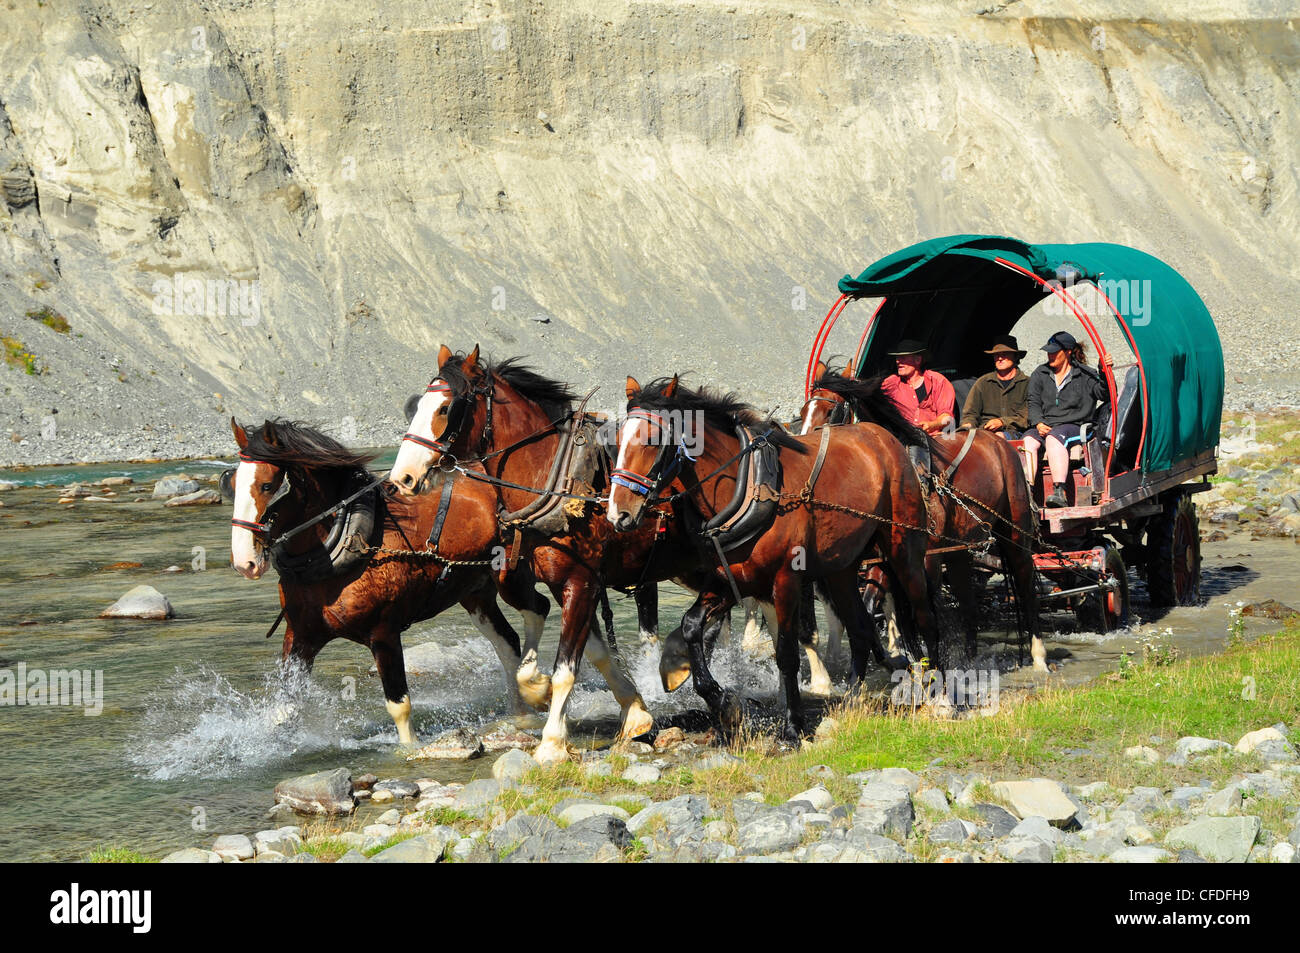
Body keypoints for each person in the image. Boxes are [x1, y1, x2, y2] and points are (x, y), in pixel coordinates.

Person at [1022, 330, 1113, 507]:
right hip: (1046, 425)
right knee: (1027, 441)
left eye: (1054, 351)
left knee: (1054, 438)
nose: (1050, 355)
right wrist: (1038, 422)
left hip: (1075, 426)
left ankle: (1059, 491)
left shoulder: (1085, 374)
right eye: (1049, 351)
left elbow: (1106, 394)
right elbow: (1033, 402)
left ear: (1068, 351)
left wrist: (1104, 372)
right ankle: (1028, 493)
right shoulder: (1040, 373)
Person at [880, 339, 955, 435]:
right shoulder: (891, 383)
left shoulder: (938, 381)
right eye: (897, 357)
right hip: (901, 441)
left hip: (932, 440)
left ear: (918, 360)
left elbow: (948, 417)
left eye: (903, 357)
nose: (898, 361)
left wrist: (932, 425)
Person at [960, 335, 1030, 438]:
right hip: (984, 433)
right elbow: (970, 413)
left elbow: (1028, 415)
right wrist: (967, 426)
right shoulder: (982, 382)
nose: (1000, 358)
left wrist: (1002, 422)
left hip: (1017, 433)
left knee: (998, 437)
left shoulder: (1027, 383)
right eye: (996, 355)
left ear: (1015, 356)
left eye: (1005, 354)